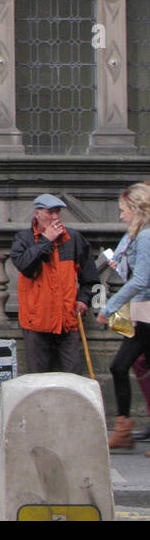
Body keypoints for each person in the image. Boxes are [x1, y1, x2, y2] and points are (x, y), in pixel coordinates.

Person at [10, 193, 99, 375]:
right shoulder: (24, 239)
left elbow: (90, 277)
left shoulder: (73, 239)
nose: (55, 217)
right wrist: (45, 241)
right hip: (36, 322)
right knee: (37, 379)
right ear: (37, 213)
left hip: (68, 320)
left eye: (57, 212)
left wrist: (83, 300)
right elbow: (24, 266)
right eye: (50, 212)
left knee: (74, 378)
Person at [97, 183, 150, 451]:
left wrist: (108, 307)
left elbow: (141, 279)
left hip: (147, 311)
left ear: (135, 209)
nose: (120, 216)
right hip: (143, 313)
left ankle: (123, 430)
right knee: (120, 365)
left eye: (122, 210)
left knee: (121, 365)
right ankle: (123, 430)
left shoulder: (145, 237)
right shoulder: (138, 235)